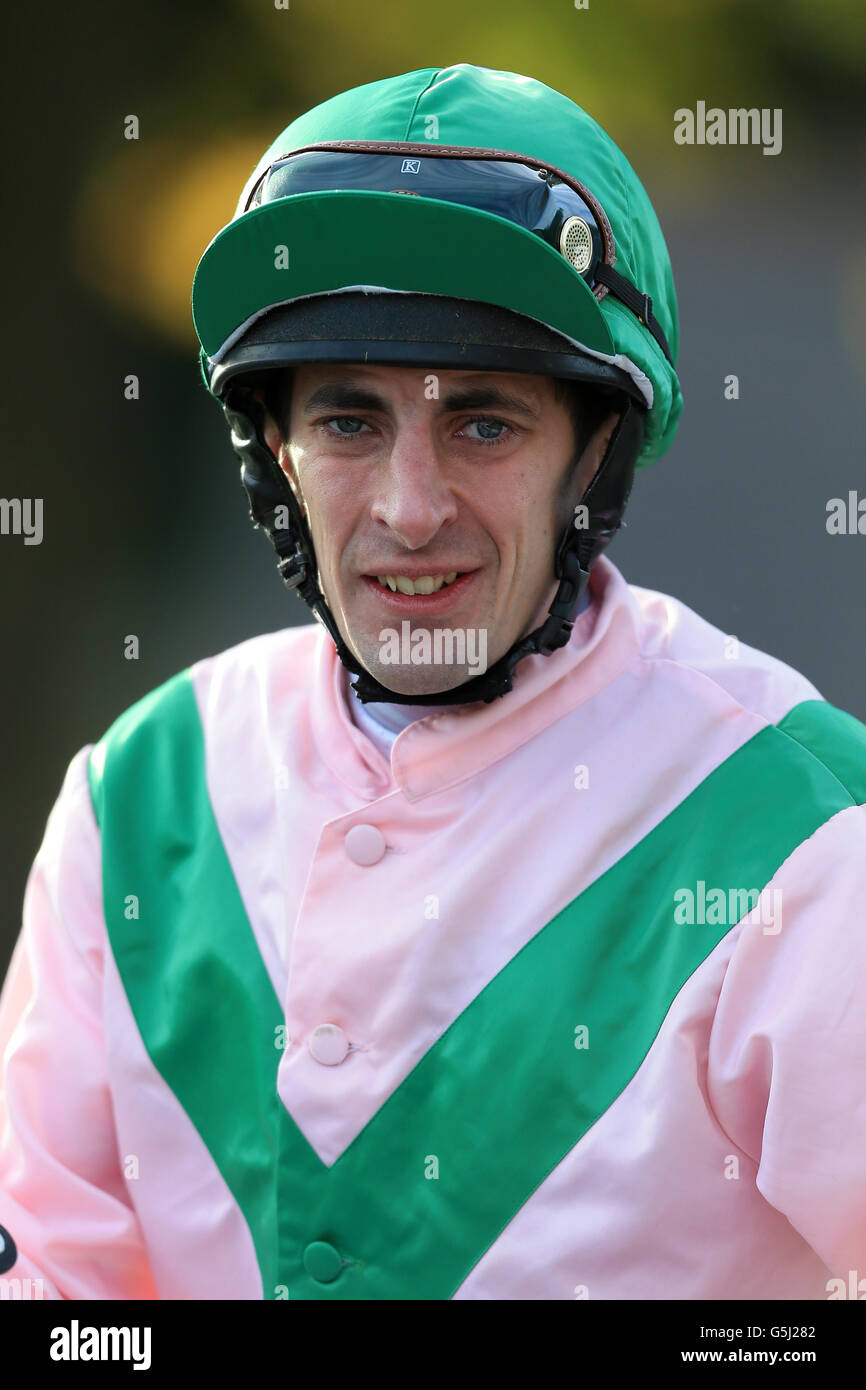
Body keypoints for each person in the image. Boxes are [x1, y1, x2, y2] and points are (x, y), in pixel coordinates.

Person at [1, 62, 864, 1302]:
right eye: (349, 423)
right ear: (274, 453)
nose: (411, 510)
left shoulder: (805, 831)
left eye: (483, 422)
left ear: (595, 451)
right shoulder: (138, 794)